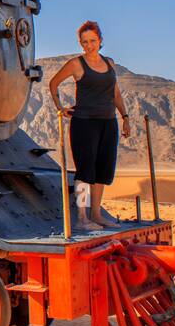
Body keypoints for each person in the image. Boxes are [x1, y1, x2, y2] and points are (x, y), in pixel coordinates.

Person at [47, 20, 132, 231]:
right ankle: (82, 218)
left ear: (100, 40)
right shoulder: (76, 64)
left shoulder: (109, 63)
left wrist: (125, 117)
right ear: (80, 43)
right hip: (84, 123)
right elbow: (53, 83)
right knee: (86, 170)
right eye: (84, 42)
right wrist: (60, 107)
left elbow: (116, 93)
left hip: (108, 122)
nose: (89, 45)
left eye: (93, 40)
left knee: (103, 170)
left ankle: (97, 214)